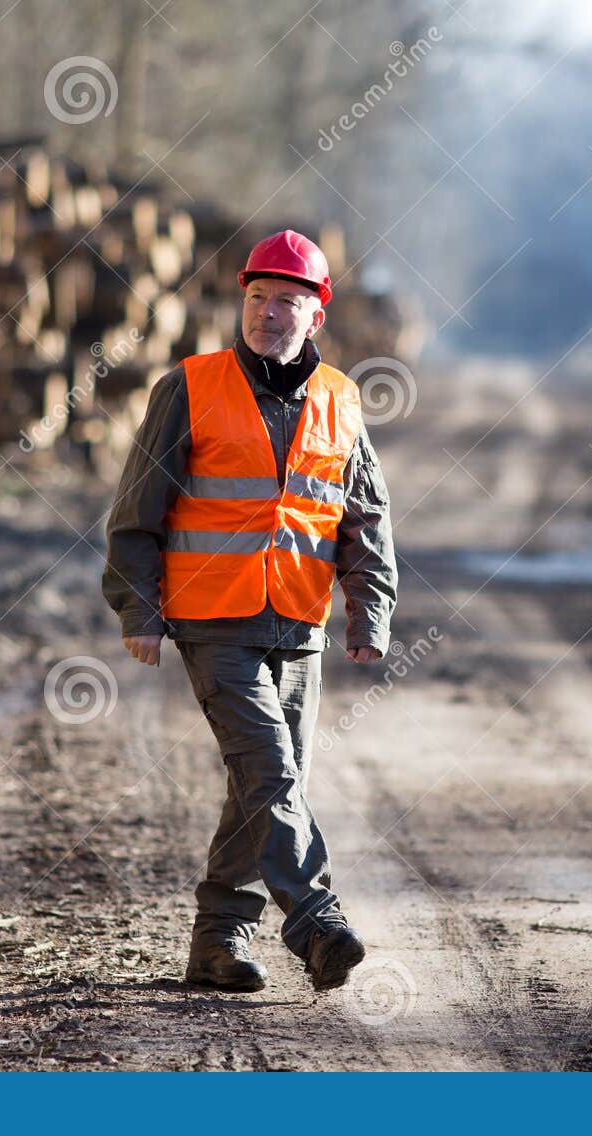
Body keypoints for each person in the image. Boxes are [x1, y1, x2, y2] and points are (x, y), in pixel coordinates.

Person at [102, 229, 398, 993]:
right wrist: (140, 608)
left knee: (262, 780)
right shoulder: (189, 386)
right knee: (271, 772)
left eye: (287, 302)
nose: (268, 314)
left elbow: (364, 516)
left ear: (316, 316)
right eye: (257, 298)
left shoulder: (340, 398)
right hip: (213, 619)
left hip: (299, 624)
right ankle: (316, 919)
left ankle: (216, 944)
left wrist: (370, 612)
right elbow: (138, 508)